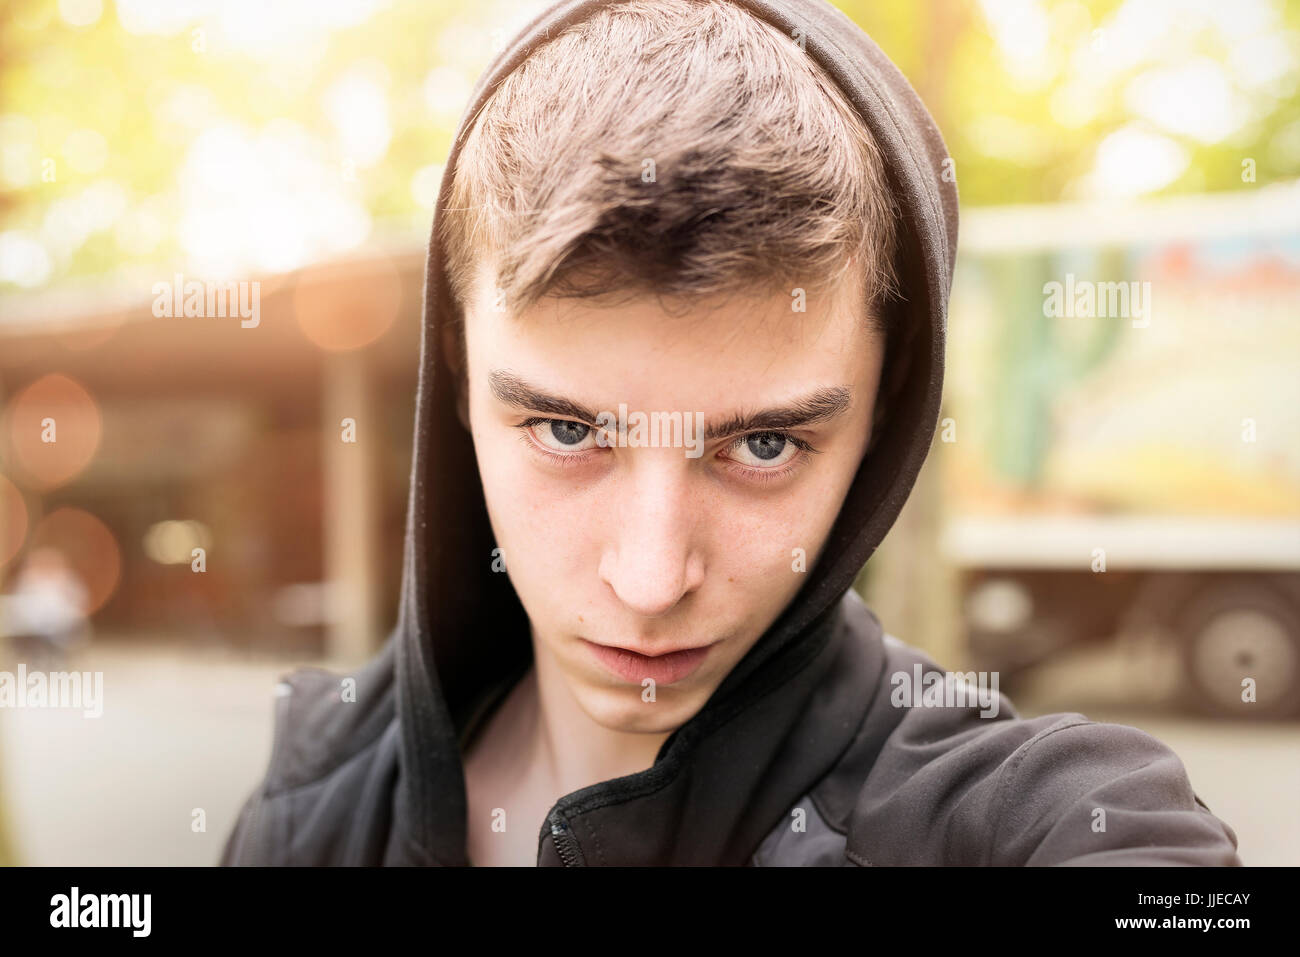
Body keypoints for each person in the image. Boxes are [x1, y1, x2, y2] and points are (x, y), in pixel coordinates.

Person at [221, 0, 1241, 866]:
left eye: (762, 446)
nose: (652, 579)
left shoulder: (1024, 825)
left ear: (882, 419)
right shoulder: (306, 801)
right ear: (456, 379)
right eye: (566, 431)